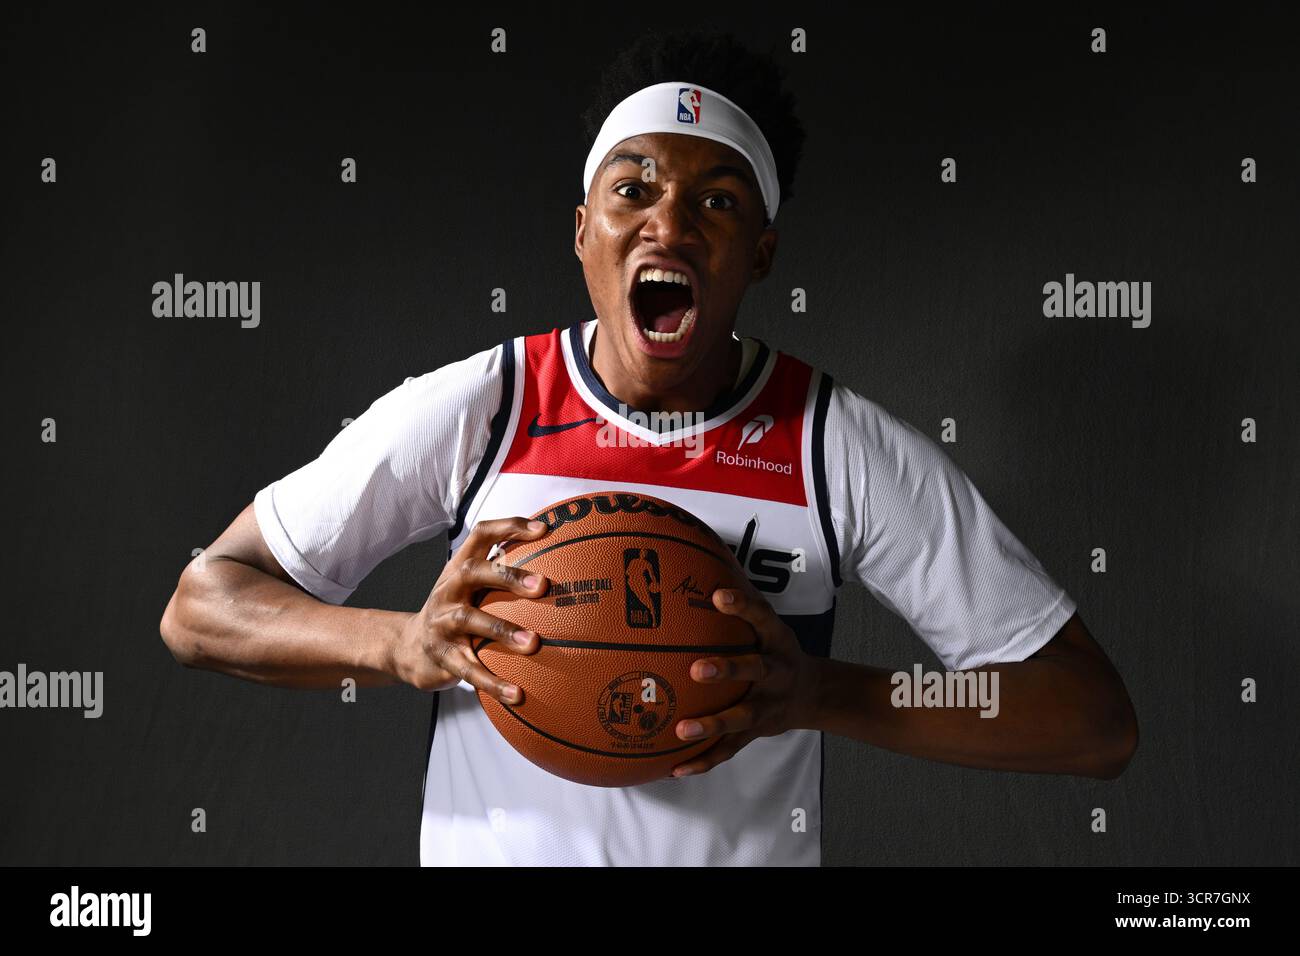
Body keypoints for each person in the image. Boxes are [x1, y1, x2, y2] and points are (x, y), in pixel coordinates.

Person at [159, 29, 1138, 866]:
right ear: (584, 232)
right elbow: (205, 604)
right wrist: (402, 643)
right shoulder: (487, 406)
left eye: (717, 200)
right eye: (633, 189)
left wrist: (818, 690)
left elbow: (1090, 718)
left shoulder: (830, 443)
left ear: (760, 250)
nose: (666, 220)